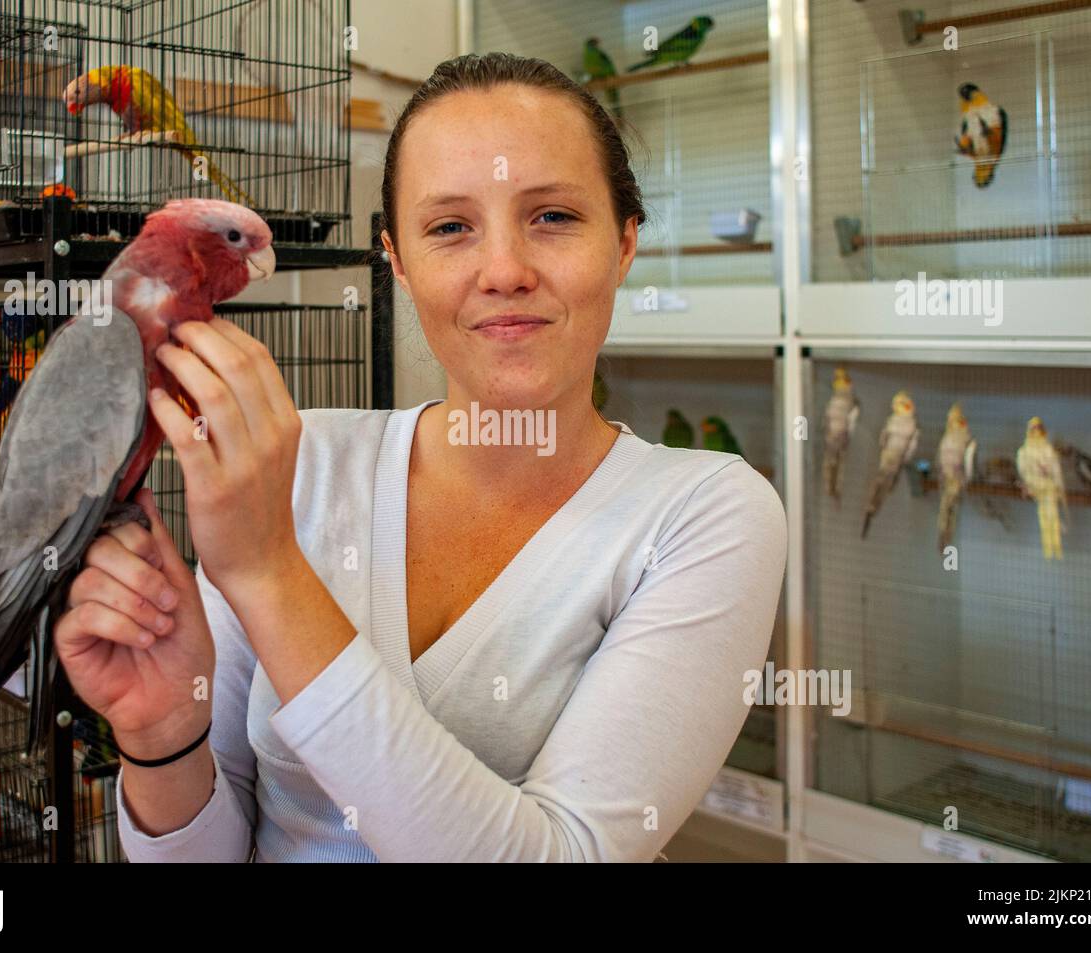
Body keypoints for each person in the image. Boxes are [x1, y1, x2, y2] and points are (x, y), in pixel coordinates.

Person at [52, 52, 787, 862]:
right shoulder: (299, 464)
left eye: (552, 216)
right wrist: (163, 737)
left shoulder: (704, 514)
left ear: (623, 243)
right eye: (450, 228)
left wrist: (269, 574)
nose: (504, 271)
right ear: (397, 261)